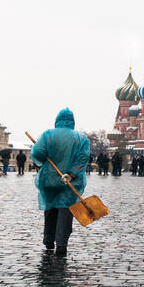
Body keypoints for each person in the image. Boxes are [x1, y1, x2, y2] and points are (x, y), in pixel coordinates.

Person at [31, 109, 91, 257]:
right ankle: (62, 245)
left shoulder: (48, 135)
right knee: (65, 210)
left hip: (50, 179)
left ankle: (49, 240)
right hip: (70, 183)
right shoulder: (81, 139)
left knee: (50, 208)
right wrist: (71, 174)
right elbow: (83, 158)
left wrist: (46, 157)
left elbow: (37, 153)